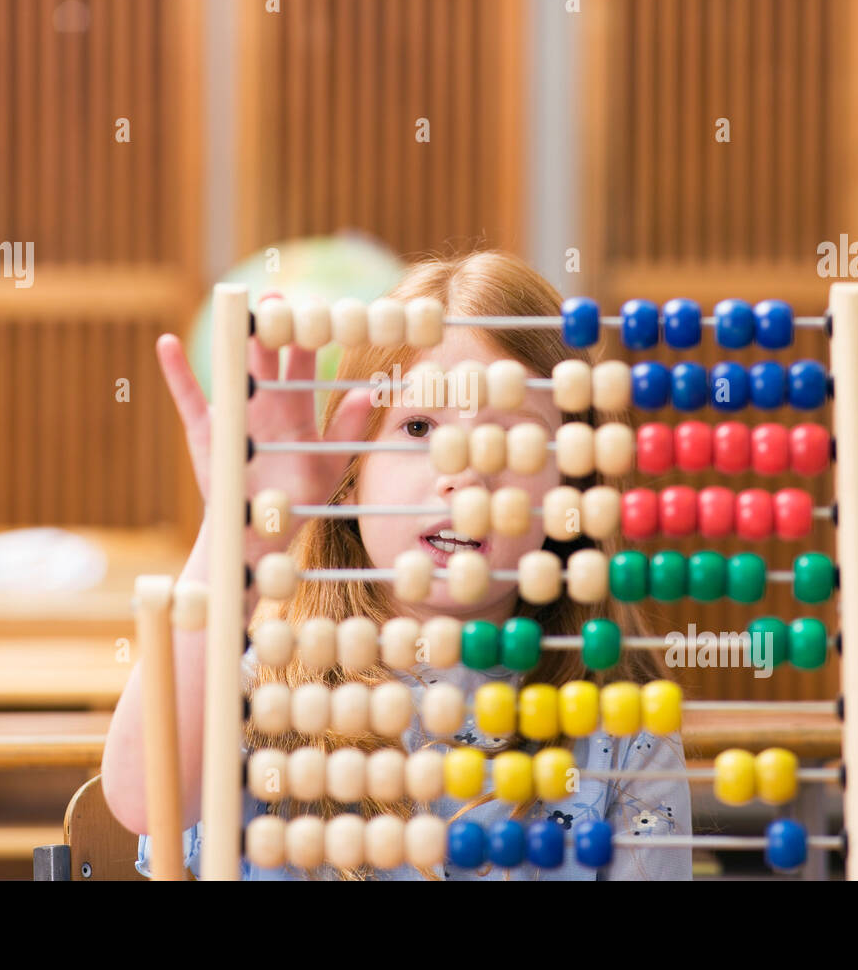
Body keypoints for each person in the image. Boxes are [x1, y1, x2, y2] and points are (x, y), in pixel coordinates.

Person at [100, 249, 692, 880]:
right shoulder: (261, 687)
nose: (464, 473)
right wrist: (236, 539)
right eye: (416, 427)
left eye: (512, 436)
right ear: (351, 478)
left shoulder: (619, 723)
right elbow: (144, 801)